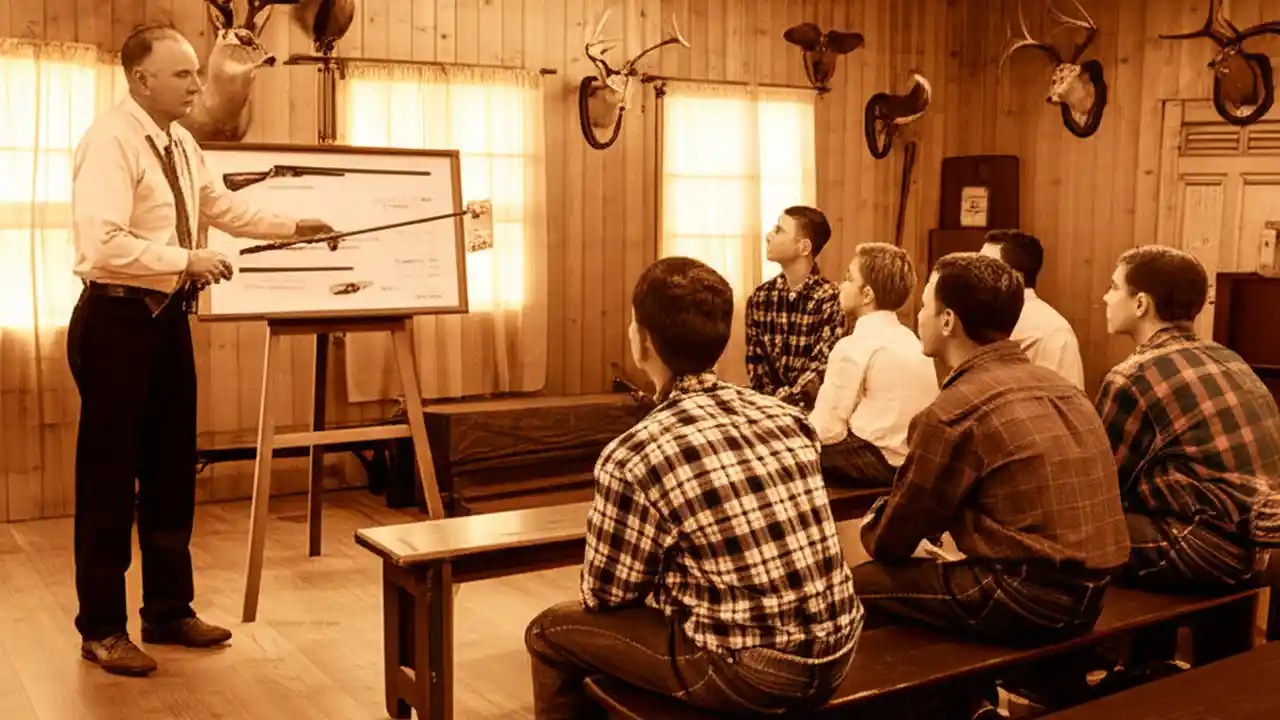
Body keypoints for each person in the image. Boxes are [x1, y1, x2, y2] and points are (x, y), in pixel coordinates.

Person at [68, 24, 333, 676]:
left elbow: (217, 206)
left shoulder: (182, 141)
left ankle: (166, 611)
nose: (197, 84)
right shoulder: (110, 141)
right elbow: (103, 246)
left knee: (168, 471)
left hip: (165, 323)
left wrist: (292, 226)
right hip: (115, 323)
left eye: (195, 72)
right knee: (109, 482)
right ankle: (101, 628)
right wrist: (188, 260)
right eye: (183, 74)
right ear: (141, 80)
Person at [525, 257, 861, 719]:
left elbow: (605, 594)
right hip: (841, 649)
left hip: (750, 672)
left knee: (549, 630)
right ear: (720, 344)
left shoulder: (636, 452)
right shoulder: (787, 418)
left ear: (643, 341)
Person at [853, 252, 1129, 648]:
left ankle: (933, 702)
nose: (919, 316)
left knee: (860, 584)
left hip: (1027, 598)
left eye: (926, 305)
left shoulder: (953, 410)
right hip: (1094, 592)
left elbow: (892, 541)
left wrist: (873, 521)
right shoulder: (1060, 387)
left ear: (948, 321)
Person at [1096, 246, 1280, 646]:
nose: (1105, 298)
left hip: (1216, 551)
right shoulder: (1229, 358)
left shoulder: (1132, 376)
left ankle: (1102, 674)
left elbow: (1103, 485)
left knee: (1084, 532)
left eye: (1113, 287)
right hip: (1262, 546)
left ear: (1141, 303)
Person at [809, 242, 938, 487]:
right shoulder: (909, 338)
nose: (840, 286)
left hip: (877, 460)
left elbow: (827, 429)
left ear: (867, 295)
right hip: (912, 461)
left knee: (789, 446)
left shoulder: (854, 346)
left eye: (848, 279)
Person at [745, 206, 844, 411]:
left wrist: (788, 402)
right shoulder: (760, 298)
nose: (768, 236)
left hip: (814, 410)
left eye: (779, 230)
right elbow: (756, 366)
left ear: (804, 247)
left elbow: (822, 367)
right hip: (767, 409)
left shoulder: (831, 298)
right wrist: (771, 404)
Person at [979, 230, 1085, 390]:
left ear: (1012, 277)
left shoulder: (1052, 331)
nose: (974, 274)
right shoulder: (974, 317)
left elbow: (1070, 405)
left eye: (985, 268)